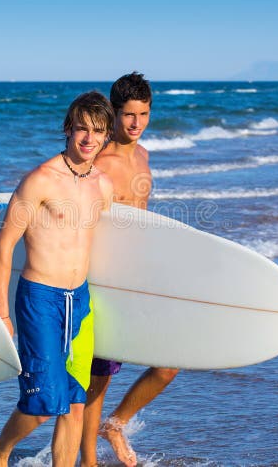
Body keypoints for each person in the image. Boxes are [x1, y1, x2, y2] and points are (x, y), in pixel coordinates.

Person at [0, 91, 115, 467]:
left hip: (81, 299)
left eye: (97, 131)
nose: (88, 139)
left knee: (76, 401)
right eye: (81, 129)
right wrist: (0, 308)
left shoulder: (102, 186)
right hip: (40, 298)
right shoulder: (40, 180)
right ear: (67, 129)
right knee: (43, 403)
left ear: (106, 136)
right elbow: (4, 244)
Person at [80, 72, 179, 467]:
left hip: (138, 275)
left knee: (168, 363)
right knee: (97, 380)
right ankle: (87, 459)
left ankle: (115, 425)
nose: (136, 123)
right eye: (127, 115)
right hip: (104, 279)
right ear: (113, 113)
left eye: (143, 114)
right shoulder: (97, 160)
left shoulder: (144, 156)